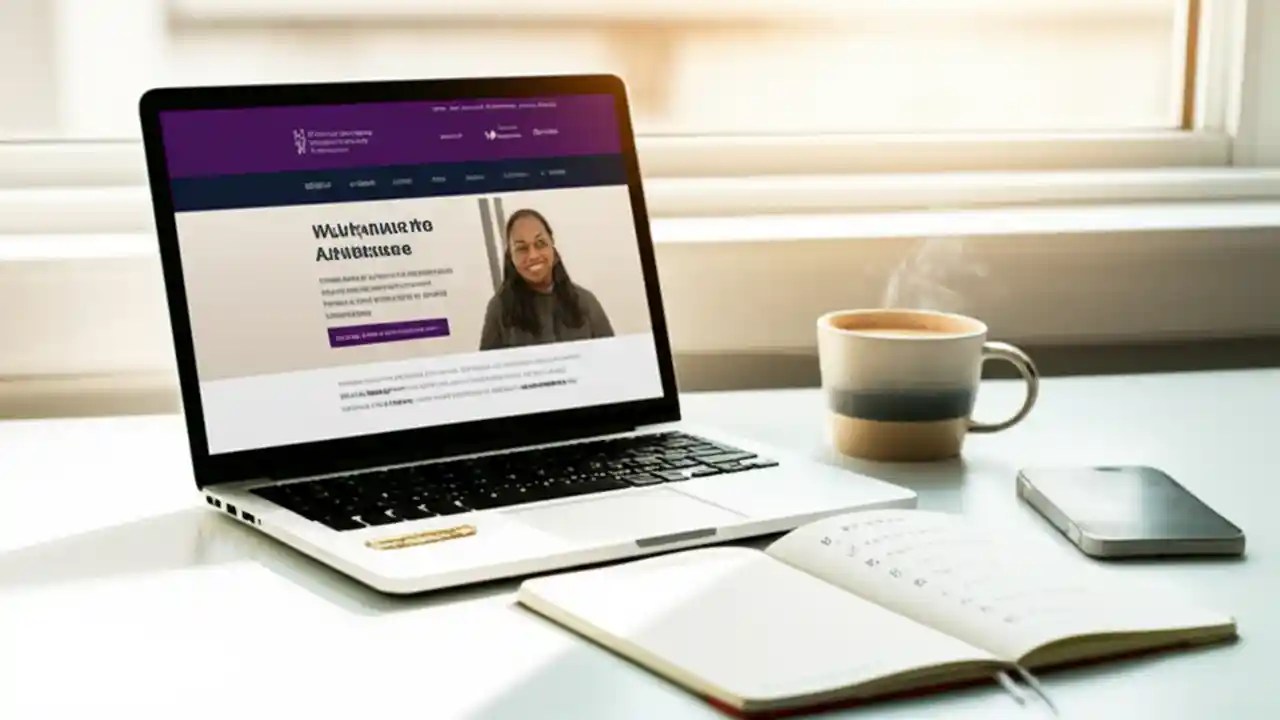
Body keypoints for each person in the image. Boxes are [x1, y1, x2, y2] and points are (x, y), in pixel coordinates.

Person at [479, 208, 614, 350]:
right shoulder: (499, 309)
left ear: (552, 247)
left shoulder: (585, 302)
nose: (533, 255)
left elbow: (610, 360)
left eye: (540, 243)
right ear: (510, 257)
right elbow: (488, 369)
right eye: (522, 248)